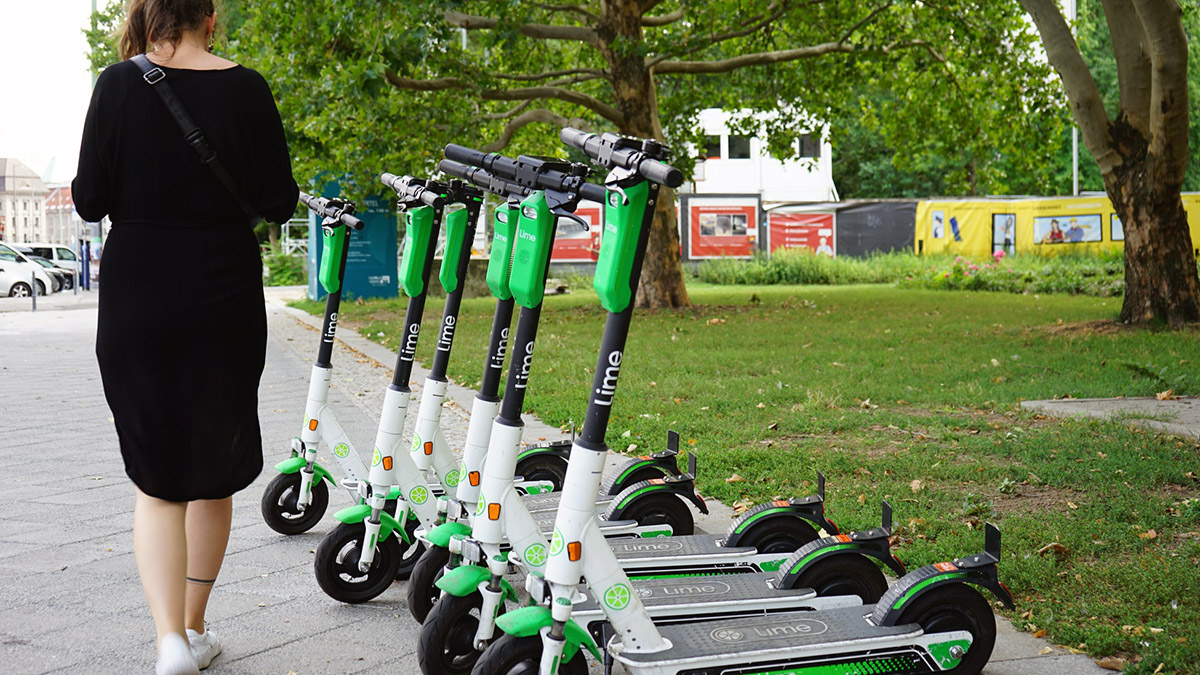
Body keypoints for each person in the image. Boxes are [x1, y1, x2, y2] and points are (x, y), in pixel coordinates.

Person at [71, 1, 297, 673]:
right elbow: (278, 201)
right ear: (210, 16)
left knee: (157, 478)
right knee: (211, 469)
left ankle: (169, 639)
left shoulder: (115, 86)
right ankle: (196, 626)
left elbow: (87, 199)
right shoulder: (247, 89)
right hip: (222, 290)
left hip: (139, 291)